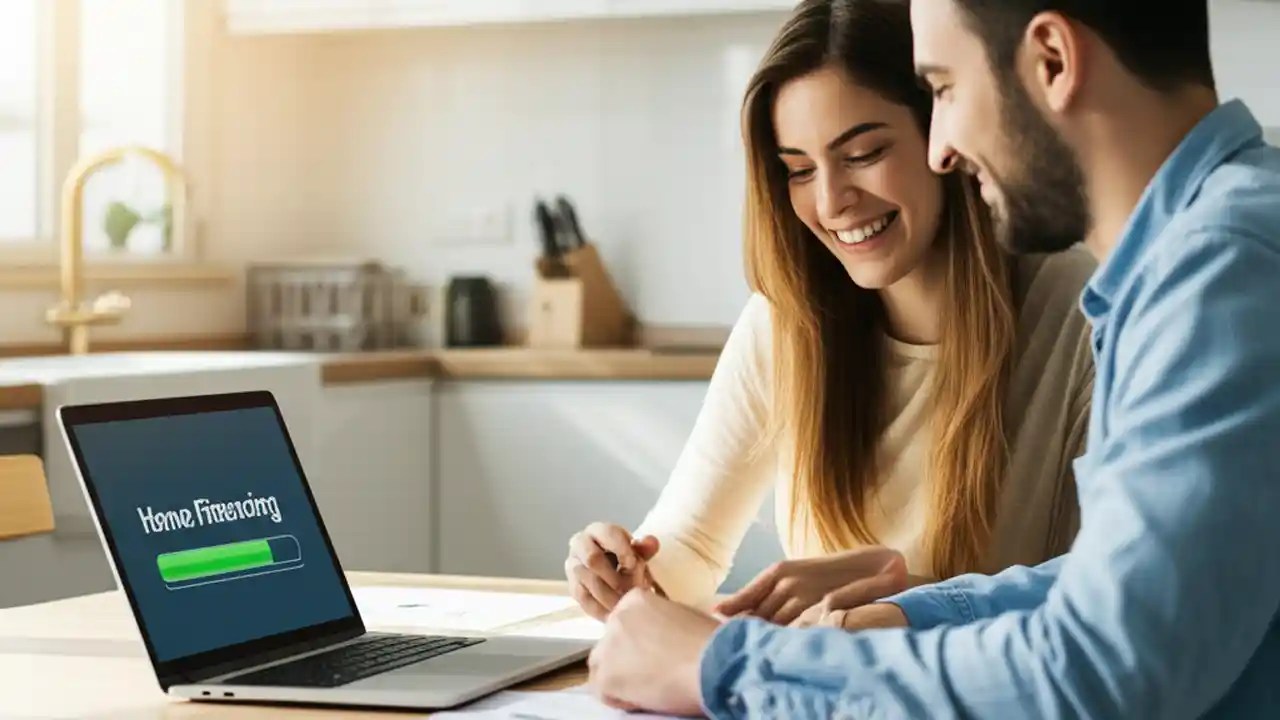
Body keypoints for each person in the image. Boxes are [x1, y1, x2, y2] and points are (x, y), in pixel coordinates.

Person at [587, 0, 1280, 717]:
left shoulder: (1221, 268)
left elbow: (1107, 668)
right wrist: (917, 610)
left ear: (1053, 61)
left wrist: (726, 666)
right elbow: (1120, 590)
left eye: (944, 89)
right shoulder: (1203, 252)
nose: (942, 146)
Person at [564, 0, 1096, 630]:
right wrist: (623, 574)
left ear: (942, 133)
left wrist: (893, 598)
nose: (831, 202)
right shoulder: (784, 323)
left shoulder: (1079, 309)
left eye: (864, 153)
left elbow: (1103, 594)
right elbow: (691, 549)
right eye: (798, 170)